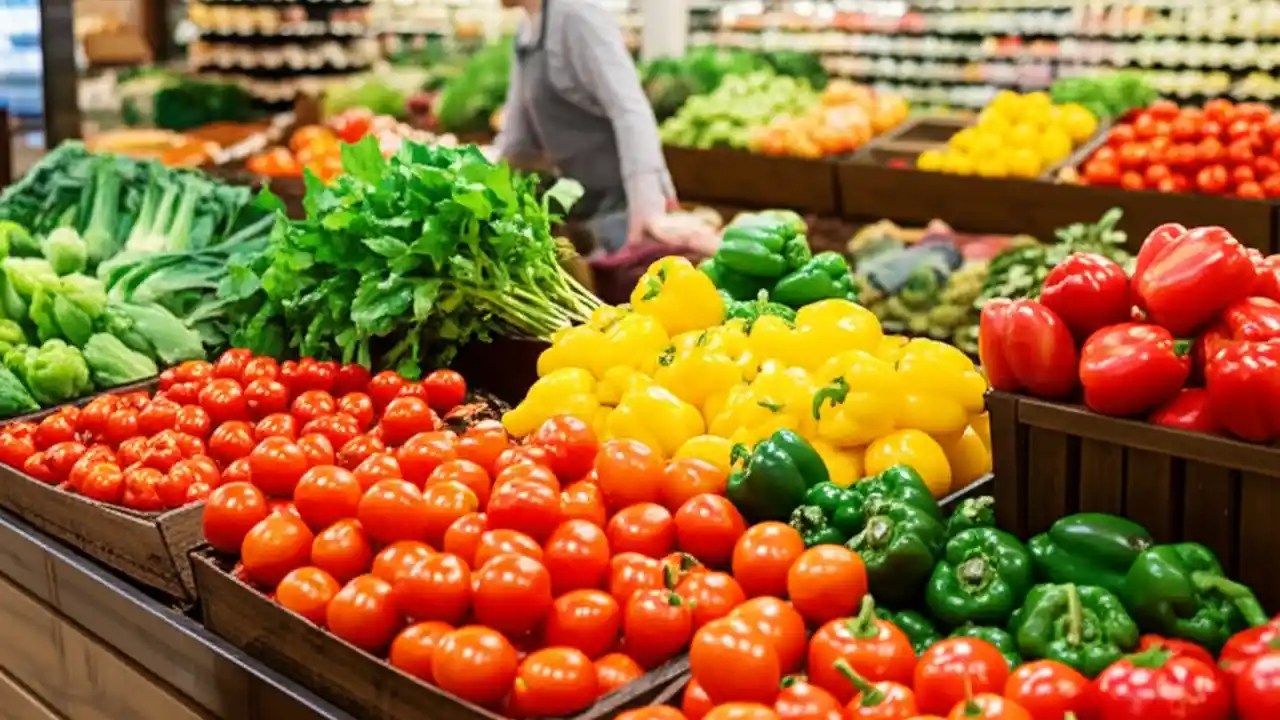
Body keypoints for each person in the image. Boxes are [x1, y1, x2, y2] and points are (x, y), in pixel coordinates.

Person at [494, 0, 674, 251]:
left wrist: (647, 209)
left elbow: (629, 109)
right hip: (585, 201)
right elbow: (516, 138)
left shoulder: (577, 16)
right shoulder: (526, 32)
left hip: (626, 205)